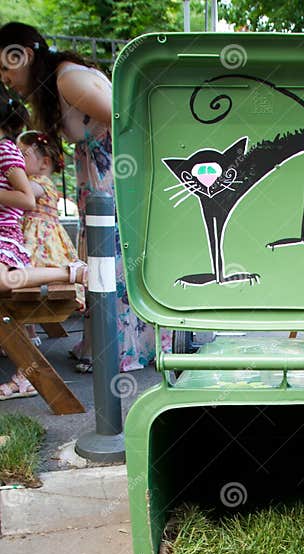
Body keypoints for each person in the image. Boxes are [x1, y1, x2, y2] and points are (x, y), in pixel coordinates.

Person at [0, 22, 170, 374]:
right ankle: (110, 345)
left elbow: (133, 121)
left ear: (25, 56)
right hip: (100, 180)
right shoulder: (59, 83)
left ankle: (122, 350)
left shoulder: (68, 79)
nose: (4, 78)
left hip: (115, 180)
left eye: (5, 66)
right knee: (106, 262)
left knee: (114, 263)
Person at [0, 87, 87, 399]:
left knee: (13, 295)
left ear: (45, 161)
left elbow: (27, 198)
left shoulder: (40, 184)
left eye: (27, 156)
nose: (21, 163)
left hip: (34, 245)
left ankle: (27, 368)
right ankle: (25, 357)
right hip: (28, 244)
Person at [18, 130, 85, 310]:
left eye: (22, 154)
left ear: (45, 162)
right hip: (37, 235)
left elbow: (26, 194)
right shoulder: (36, 180)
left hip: (39, 240)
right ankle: (29, 328)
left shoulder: (39, 181)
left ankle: (30, 327)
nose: (16, 159)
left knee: (26, 272)